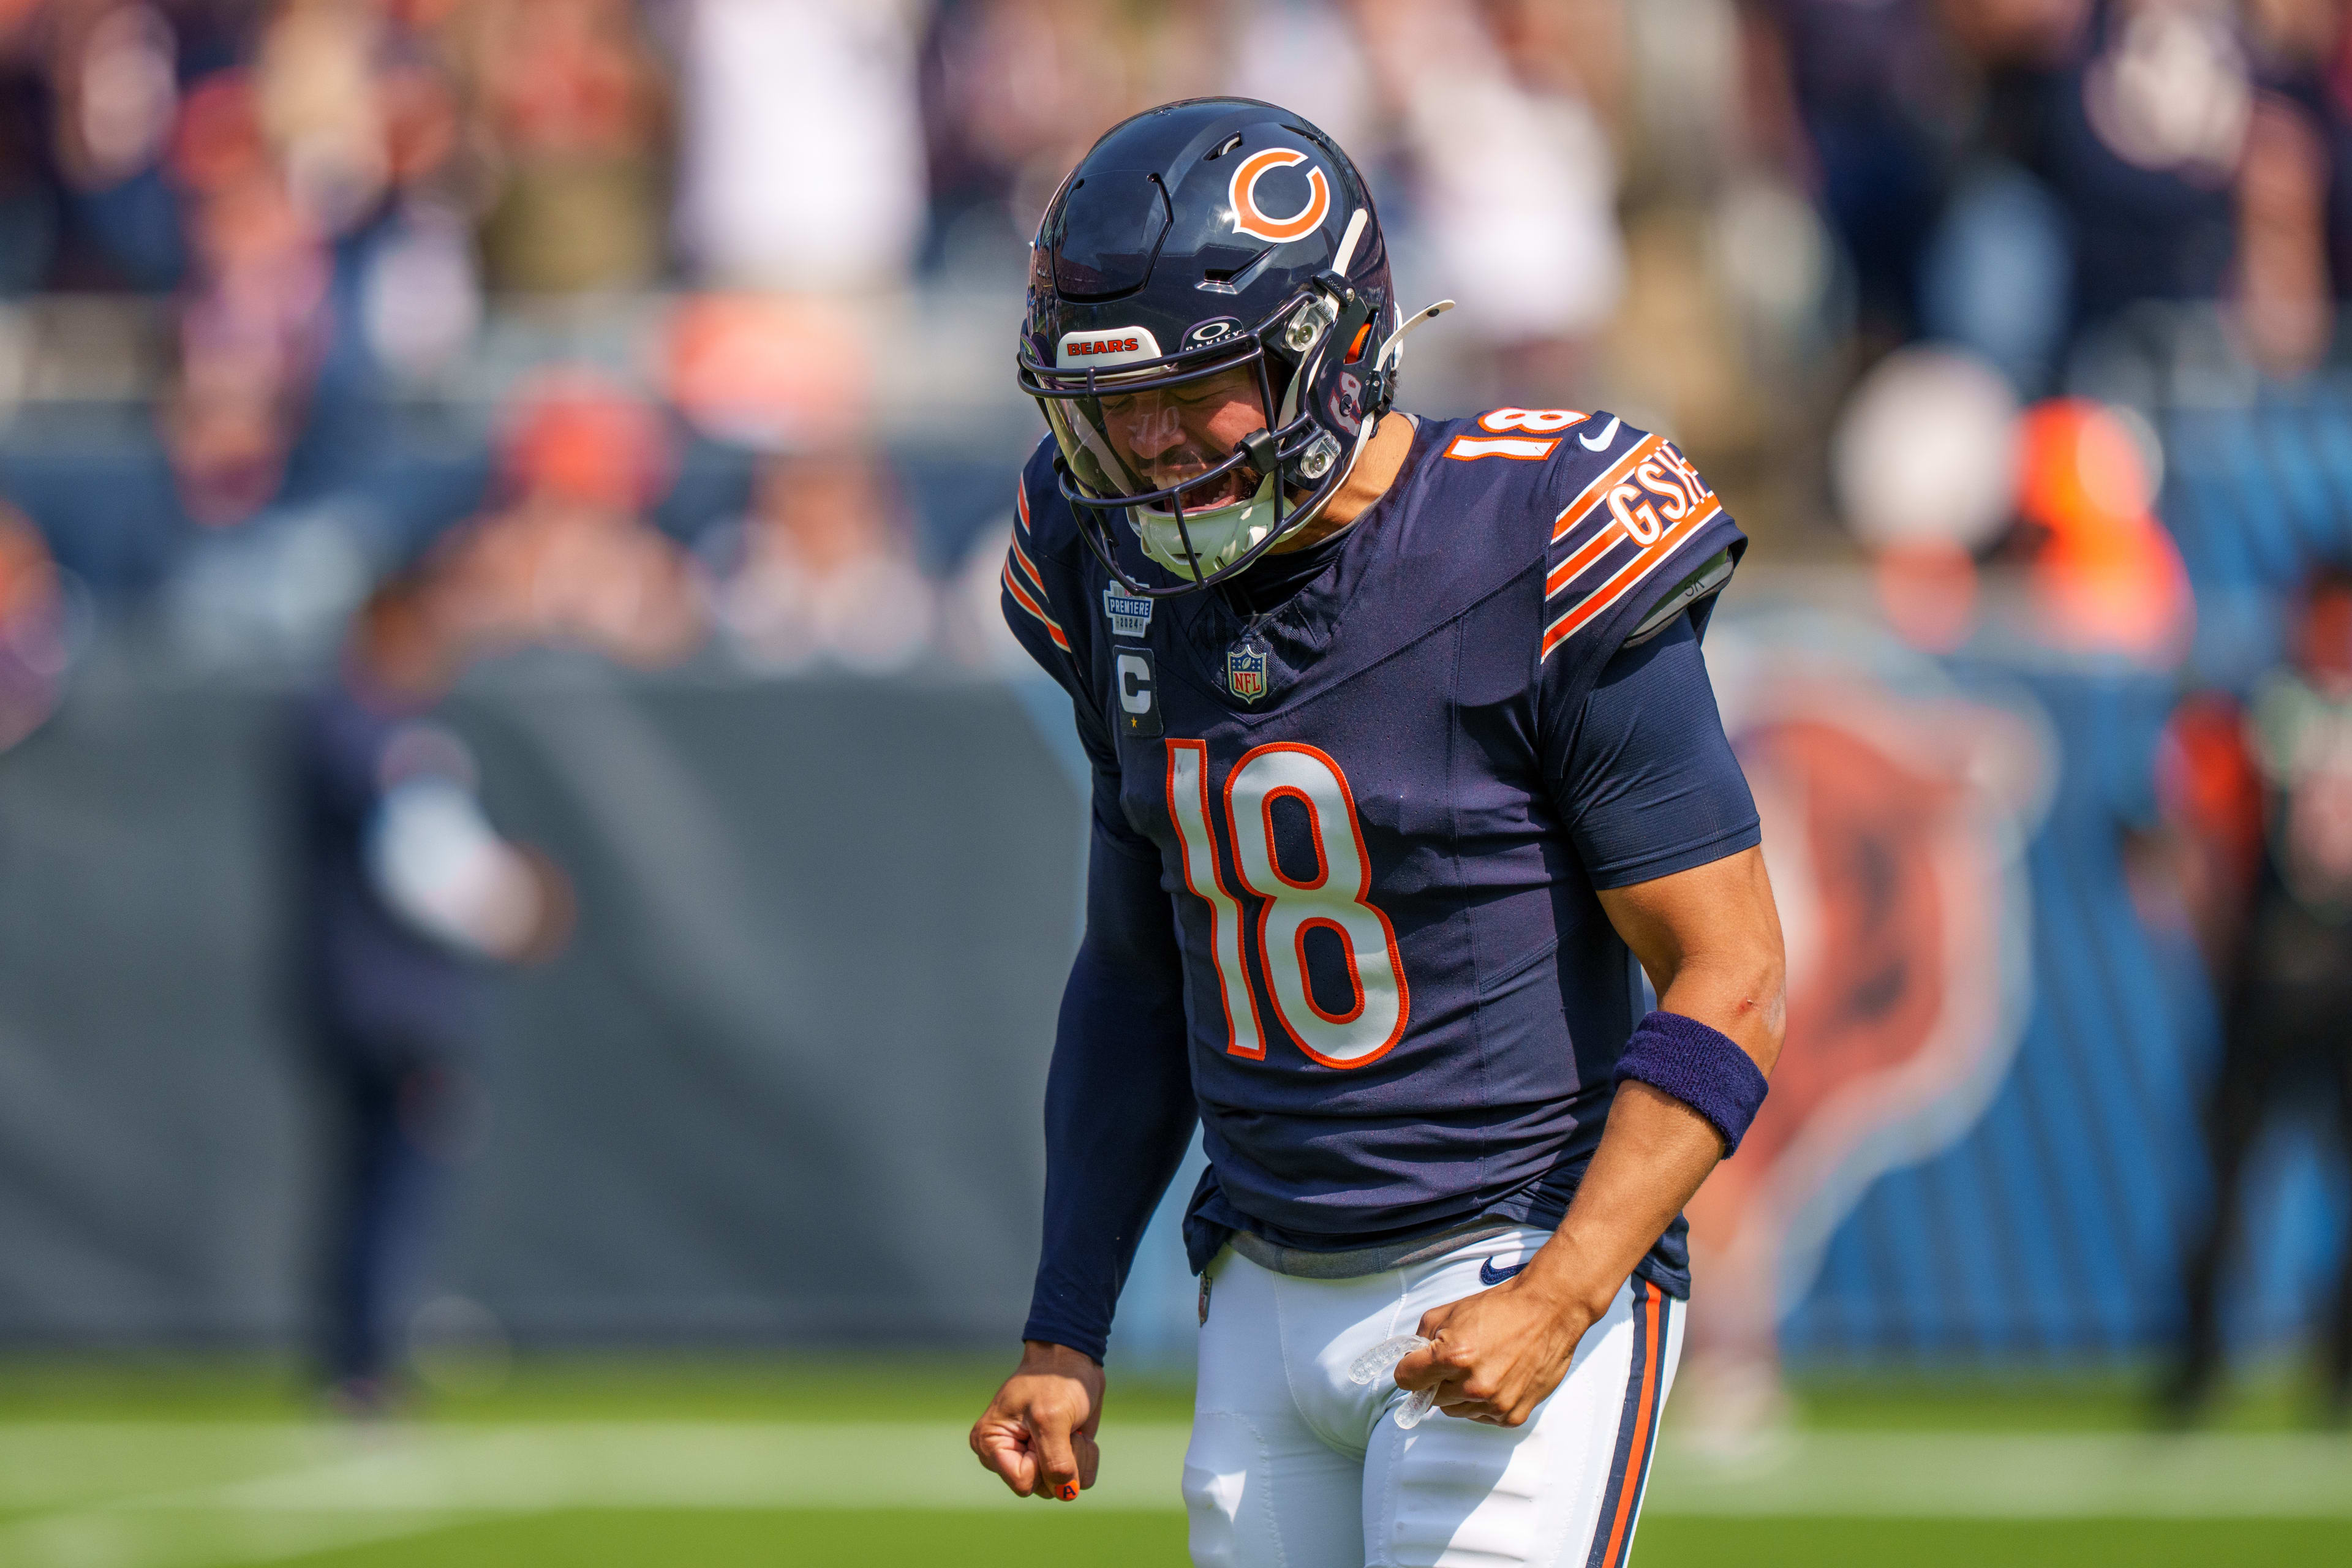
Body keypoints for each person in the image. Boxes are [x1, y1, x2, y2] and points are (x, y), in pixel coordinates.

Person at [967, 99, 1786, 1566]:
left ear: (1329, 351)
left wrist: (1565, 1291)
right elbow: (1139, 971)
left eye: (1194, 387)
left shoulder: (1534, 528)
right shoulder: (1098, 566)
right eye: (1112, 403)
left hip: (1508, 1248)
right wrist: (1066, 1320)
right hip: (1259, 1282)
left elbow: (1732, 971)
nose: (1147, 446)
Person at [293, 548, 568, 1411]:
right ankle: (365, 1359)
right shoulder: (373, 731)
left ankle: (362, 1352)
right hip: (394, 1003)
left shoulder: (366, 726)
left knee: (376, 1176)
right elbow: (420, 860)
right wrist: (510, 910)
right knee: (393, 1180)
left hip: (365, 995)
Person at [2167, 565, 2352, 1425]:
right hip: (2268, 978)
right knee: (2228, 1180)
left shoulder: (2257, 712)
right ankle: (2200, 1364)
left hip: (2313, 979)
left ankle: (2329, 1367)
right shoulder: (2254, 715)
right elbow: (2203, 830)